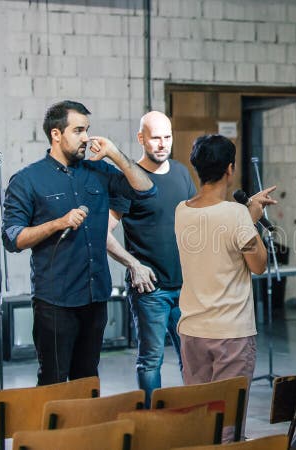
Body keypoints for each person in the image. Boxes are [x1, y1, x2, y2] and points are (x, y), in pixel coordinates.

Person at [2, 100, 156, 385]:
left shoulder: (98, 172)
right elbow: (13, 238)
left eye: (88, 130)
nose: (86, 137)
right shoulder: (27, 180)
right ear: (56, 134)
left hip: (95, 297)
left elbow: (146, 190)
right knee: (54, 381)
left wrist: (114, 155)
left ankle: (86, 431)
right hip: (55, 302)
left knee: (88, 379)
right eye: (78, 131)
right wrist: (58, 223)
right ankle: (52, 431)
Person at [174, 134, 276, 442]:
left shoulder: (182, 210)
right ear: (230, 169)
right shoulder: (235, 214)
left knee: (200, 422)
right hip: (230, 333)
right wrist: (253, 220)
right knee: (228, 428)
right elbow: (258, 264)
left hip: (193, 330)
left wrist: (245, 218)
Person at [106, 111, 196, 407]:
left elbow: (196, 222)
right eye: (155, 137)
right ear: (141, 139)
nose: (162, 144)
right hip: (150, 291)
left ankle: (198, 419)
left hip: (184, 288)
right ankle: (150, 426)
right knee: (150, 362)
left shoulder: (182, 173)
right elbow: (103, 233)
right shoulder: (128, 180)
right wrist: (134, 264)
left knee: (192, 359)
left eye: (167, 137)